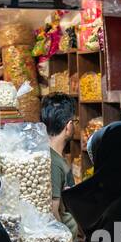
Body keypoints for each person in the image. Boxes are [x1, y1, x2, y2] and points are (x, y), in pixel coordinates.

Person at [41, 92, 78, 233]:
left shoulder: (50, 156)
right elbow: (53, 210)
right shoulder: (54, 163)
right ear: (68, 126)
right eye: (74, 122)